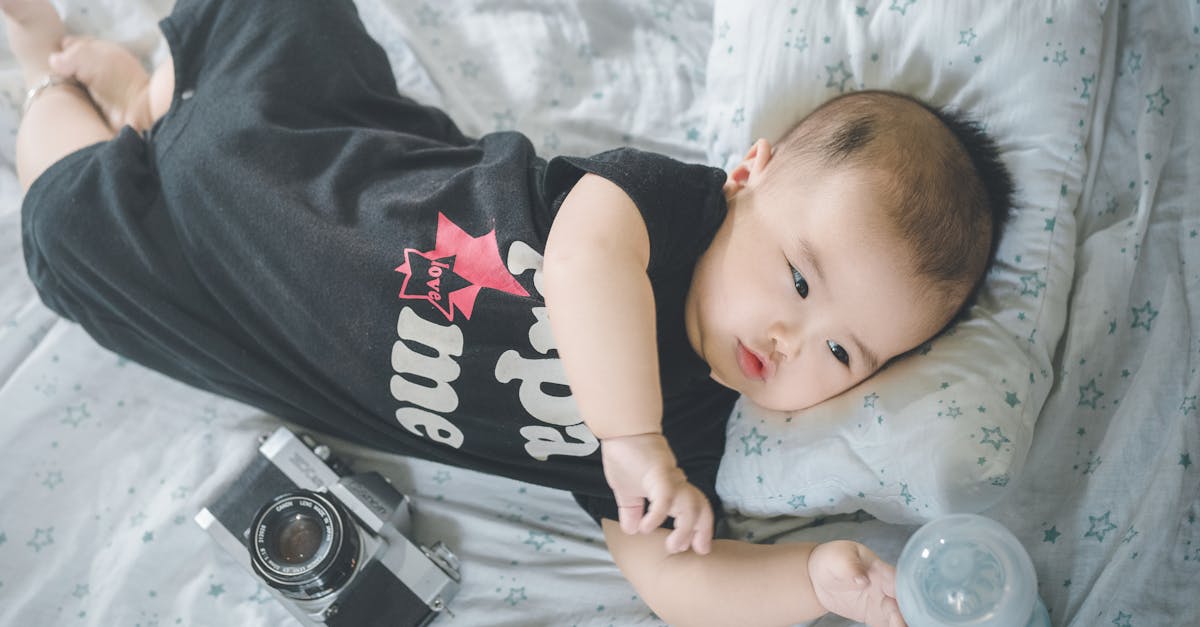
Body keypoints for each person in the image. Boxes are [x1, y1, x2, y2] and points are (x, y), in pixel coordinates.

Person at [3, 0, 1013, 625]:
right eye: (797, 278)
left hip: (255, 302)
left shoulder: (698, 429)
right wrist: (630, 437)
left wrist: (813, 580)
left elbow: (671, 584)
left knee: (68, 232)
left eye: (844, 350)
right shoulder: (666, 209)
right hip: (324, 161)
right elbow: (582, 256)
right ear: (751, 175)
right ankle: (154, 95)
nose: (791, 341)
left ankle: (60, 79)